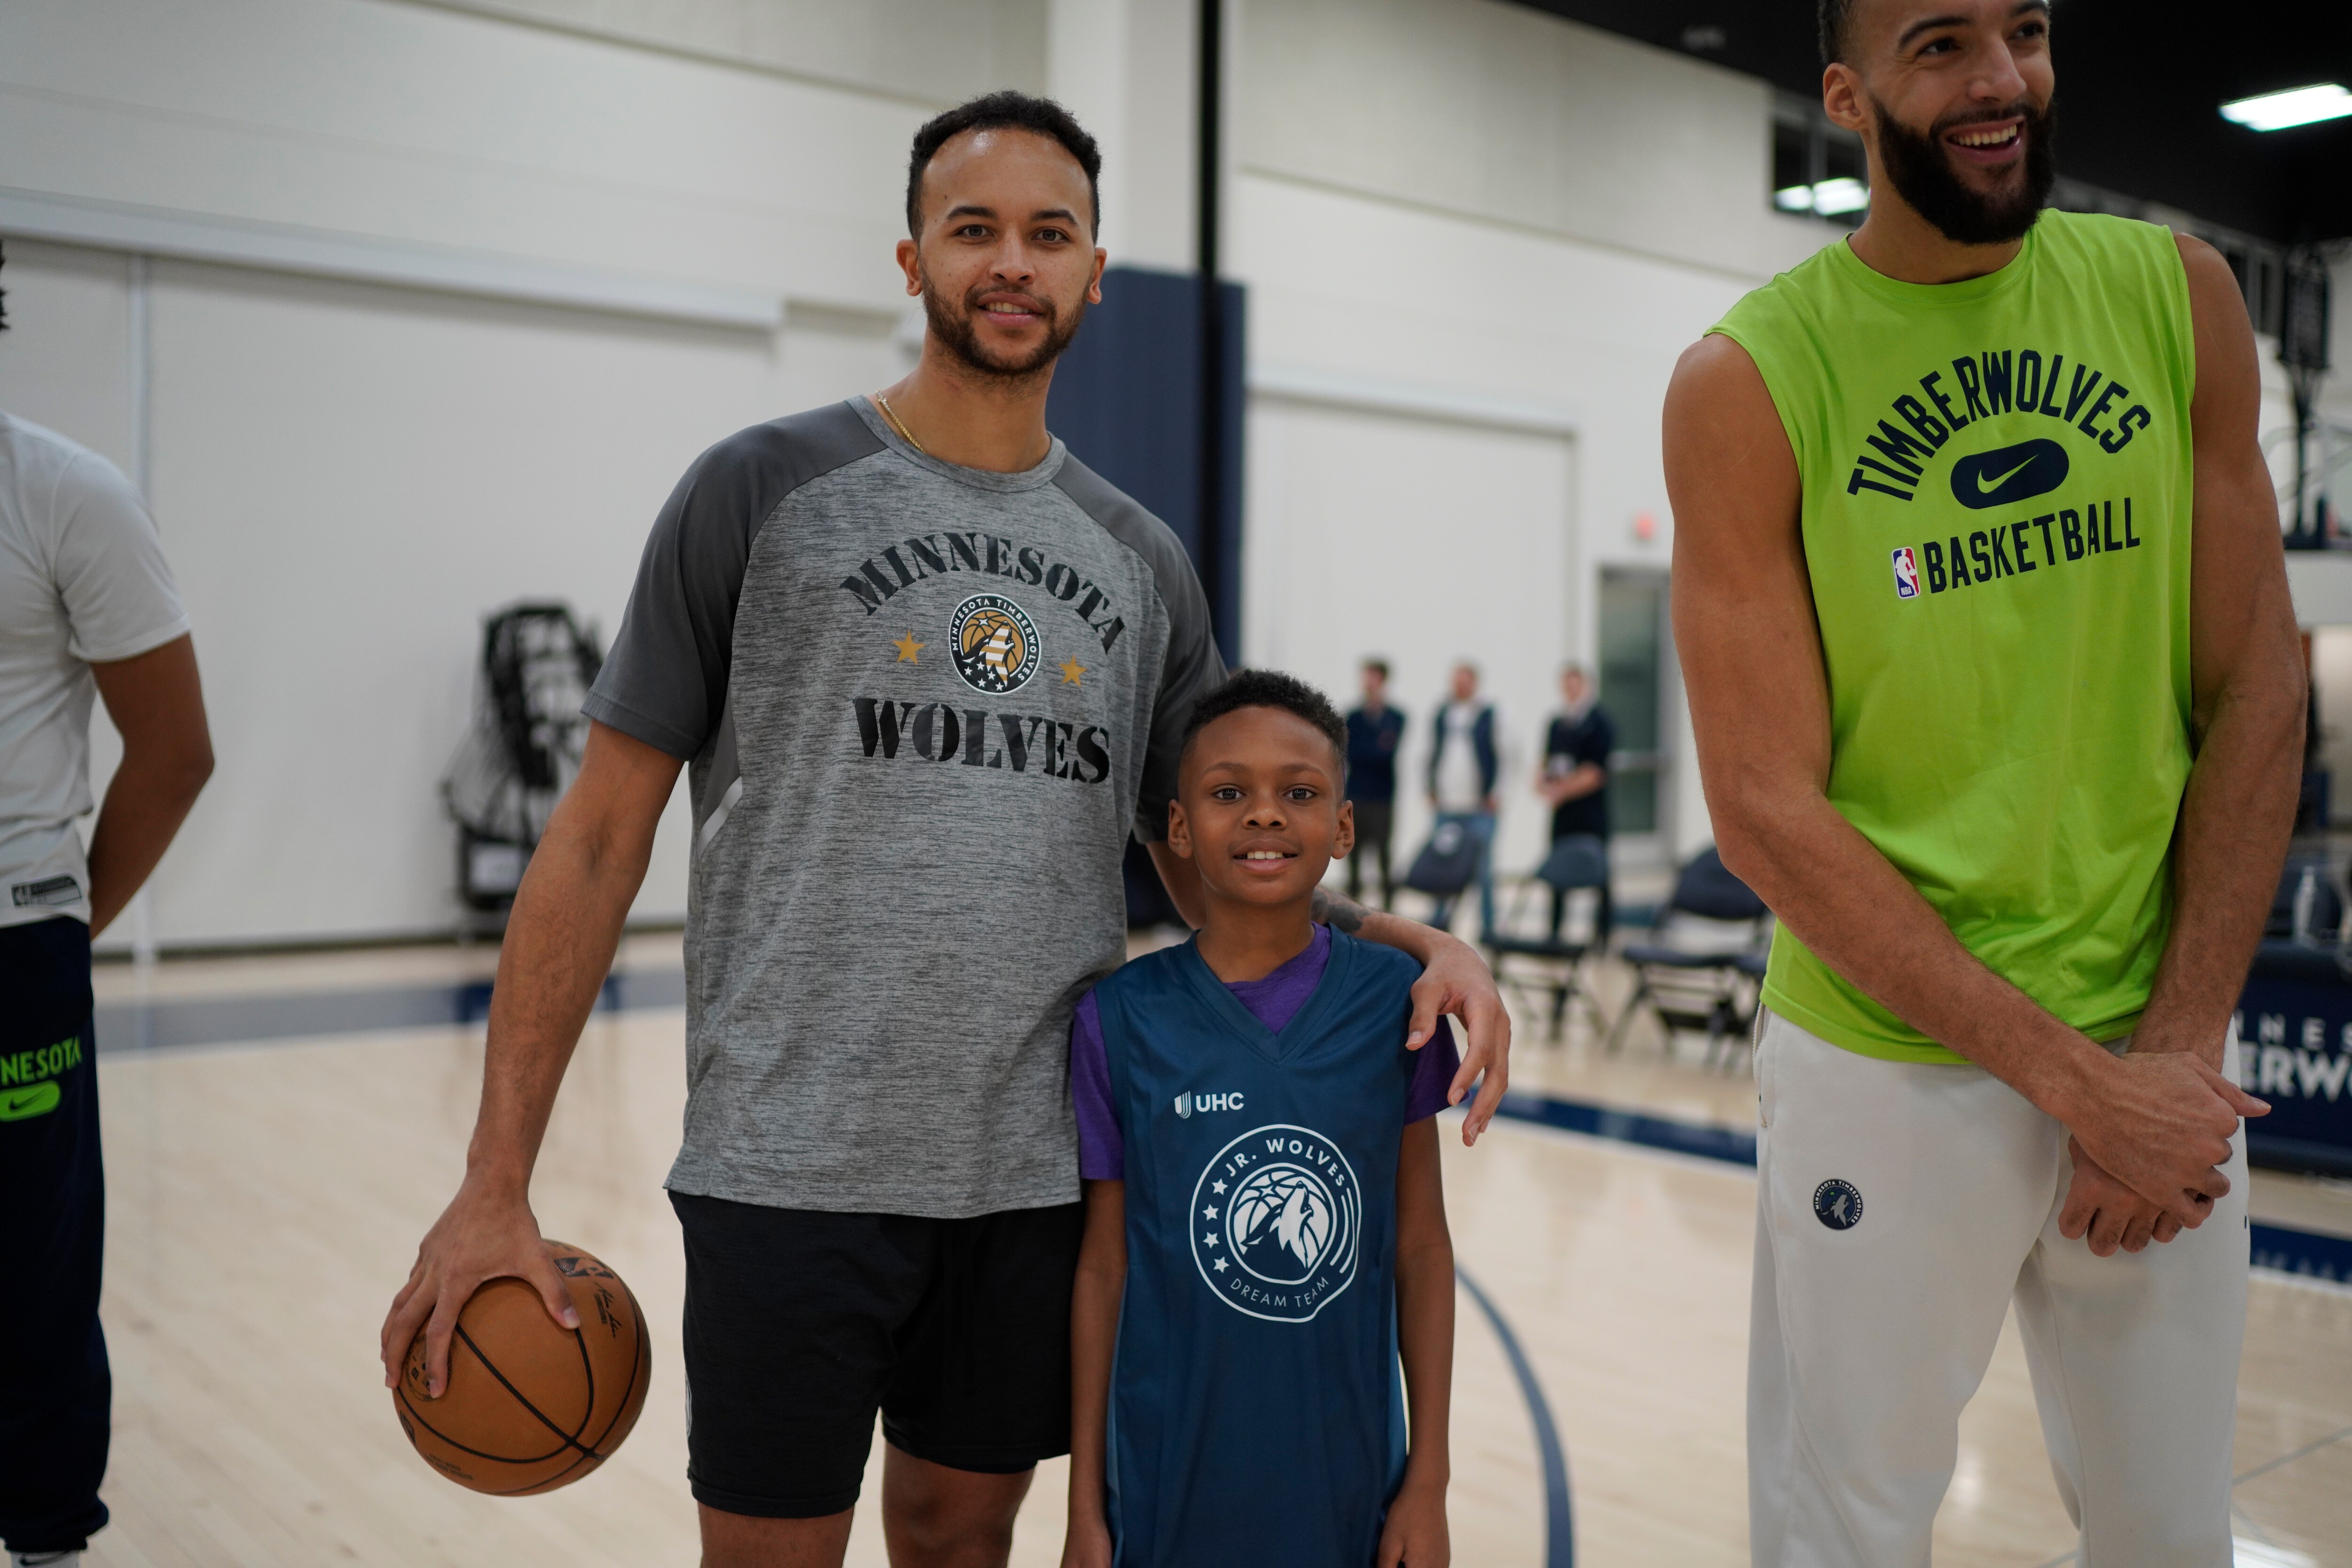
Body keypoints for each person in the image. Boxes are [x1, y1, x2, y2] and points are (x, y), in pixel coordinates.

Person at [378, 92, 1511, 1568]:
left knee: (960, 1538)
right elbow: (596, 840)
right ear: (909, 259)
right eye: (971, 228)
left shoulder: (1140, 559)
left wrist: (1411, 933)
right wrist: (492, 1180)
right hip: (788, 1158)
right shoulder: (756, 490)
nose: (1010, 263)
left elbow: (1212, 852)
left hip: (1031, 1171)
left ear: (1095, 272)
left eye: (1048, 235)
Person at [1663, 2, 2299, 1563]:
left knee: (2170, 1532)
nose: (2002, 80)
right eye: (1940, 44)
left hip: (2155, 1040)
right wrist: (2084, 1089)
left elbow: (2261, 684)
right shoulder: (1750, 378)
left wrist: (2172, 1048)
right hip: (1890, 1067)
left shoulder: (2178, 297)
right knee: (1851, 1533)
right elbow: (1764, 811)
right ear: (1846, 95)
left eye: (2024, 29)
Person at [1062, 670, 1457, 1568]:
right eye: (1229, 791)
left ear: (1343, 828)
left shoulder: (1396, 1000)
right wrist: (1087, 1508)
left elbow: (1422, 1248)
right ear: (1177, 827)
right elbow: (1103, 1267)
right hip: (1168, 1478)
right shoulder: (1120, 1017)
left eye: (1300, 792)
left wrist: (1427, 1479)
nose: (1265, 814)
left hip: (1349, 1477)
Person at [0, 398, 214, 1564]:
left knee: (30, 1280)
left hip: (13, 947)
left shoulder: (65, 494)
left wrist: (58, 940)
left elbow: (176, 749)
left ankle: (45, 1544)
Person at [1535, 663, 1613, 942]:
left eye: (1575, 684)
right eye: (1566, 684)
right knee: (1558, 871)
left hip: (1590, 813)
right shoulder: (1558, 723)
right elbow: (1546, 763)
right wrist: (1543, 784)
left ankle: (1603, 935)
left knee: (1600, 874)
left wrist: (1563, 789)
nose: (1570, 690)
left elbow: (1596, 773)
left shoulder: (1600, 723)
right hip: (1562, 814)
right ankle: (1555, 933)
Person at [1425, 662, 1497, 934]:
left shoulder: (1489, 714)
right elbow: (1432, 751)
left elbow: (1506, 754)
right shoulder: (1443, 713)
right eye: (1456, 681)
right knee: (1442, 865)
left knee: (1483, 870)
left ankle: (1488, 927)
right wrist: (1431, 786)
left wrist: (1497, 793)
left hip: (1479, 807)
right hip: (1447, 806)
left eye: (1465, 681)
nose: (1459, 686)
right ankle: (1439, 921)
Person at [1344, 658, 1405, 909]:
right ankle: (1353, 910)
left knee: (1384, 856)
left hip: (1382, 796)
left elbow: (1385, 755)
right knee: (1354, 856)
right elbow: (1352, 754)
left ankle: (1388, 911)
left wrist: (1370, 751)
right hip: (1357, 794)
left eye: (1372, 677)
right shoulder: (1354, 717)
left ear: (1383, 681)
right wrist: (1376, 747)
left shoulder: (1396, 717)